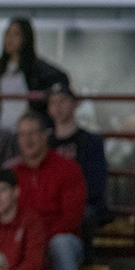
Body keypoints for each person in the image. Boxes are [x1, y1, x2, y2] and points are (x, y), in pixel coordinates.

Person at [8, 111, 86, 270]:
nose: (28, 140)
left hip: (59, 238)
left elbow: (71, 219)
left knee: (61, 243)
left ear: (45, 135)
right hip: (25, 240)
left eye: (32, 133)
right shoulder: (11, 173)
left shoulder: (68, 168)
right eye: (22, 135)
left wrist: (39, 240)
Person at [46, 84, 110, 258]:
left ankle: (86, 259)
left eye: (62, 101)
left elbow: (95, 185)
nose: (58, 107)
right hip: (51, 204)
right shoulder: (45, 143)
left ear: (75, 104)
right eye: (53, 102)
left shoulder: (91, 141)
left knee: (84, 215)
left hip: (81, 206)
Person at [0, 17, 68, 126]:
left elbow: (60, 80)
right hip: (3, 126)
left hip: (28, 128)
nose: (10, 39)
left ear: (25, 38)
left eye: (16, 34)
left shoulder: (36, 68)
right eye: (7, 34)